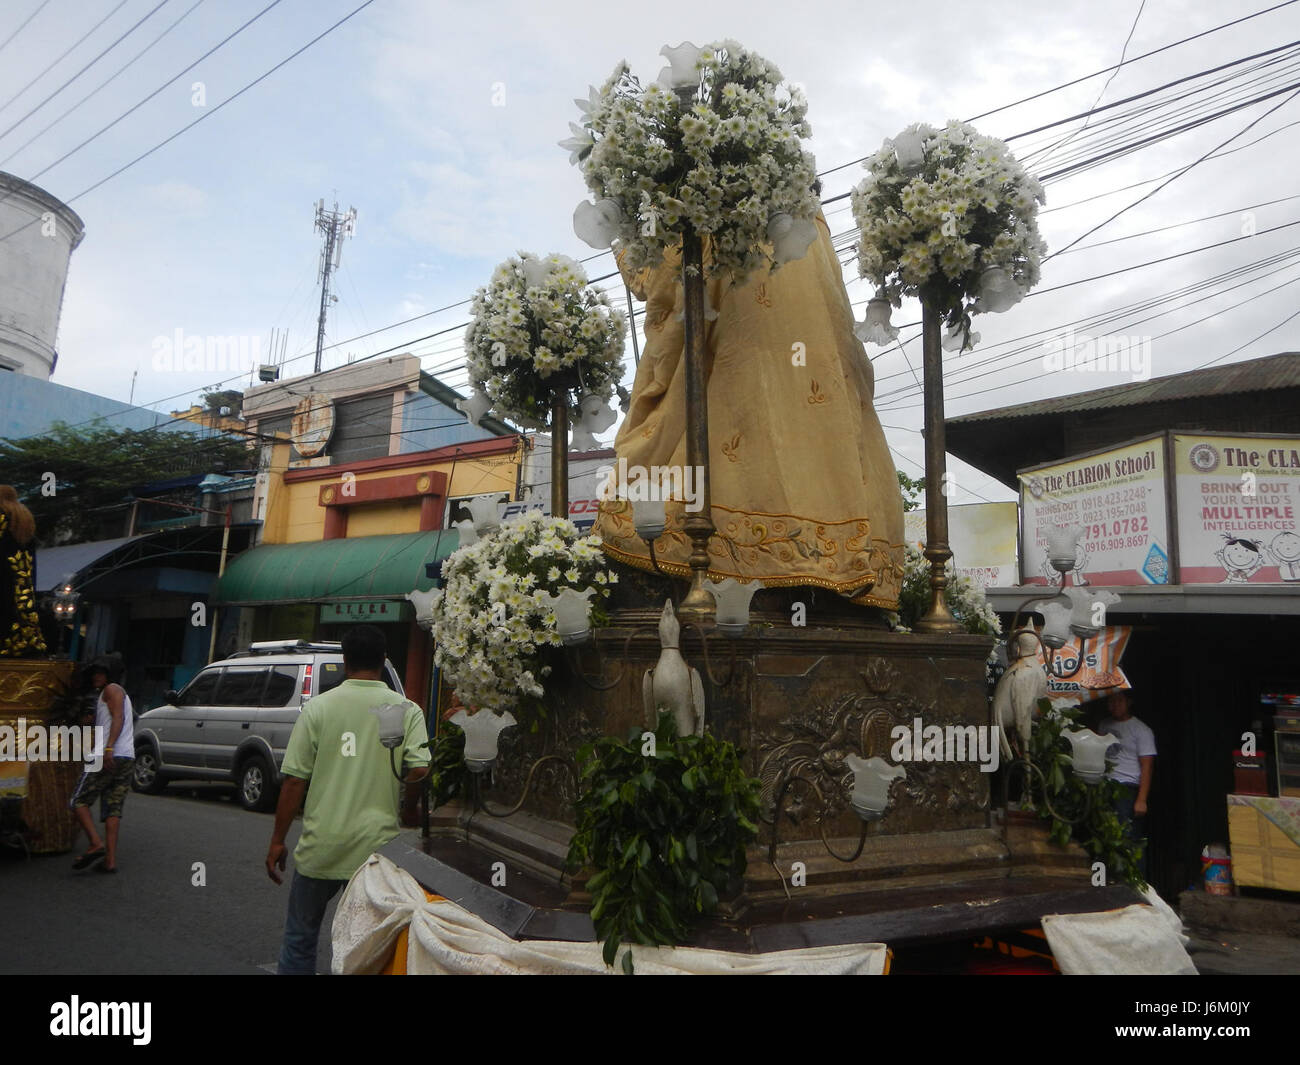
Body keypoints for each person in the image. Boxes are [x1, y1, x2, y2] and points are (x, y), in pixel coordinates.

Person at [591, 214, 905, 608]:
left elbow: (666, 278)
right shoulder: (812, 224)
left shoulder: (716, 200)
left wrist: (628, 233)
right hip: (820, 399)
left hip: (732, 362)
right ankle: (825, 550)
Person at [266, 625, 430, 975]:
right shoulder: (406, 710)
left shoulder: (318, 709)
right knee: (370, 945)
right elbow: (419, 770)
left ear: (345, 662)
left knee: (300, 937)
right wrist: (408, 806)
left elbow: (295, 780)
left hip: (320, 847)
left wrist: (278, 841)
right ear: (384, 661)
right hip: (376, 850)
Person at [70, 655, 135, 873]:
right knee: (113, 808)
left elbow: (118, 718)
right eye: (94, 673)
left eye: (101, 673)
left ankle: (96, 844)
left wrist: (108, 748)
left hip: (106, 755)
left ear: (110, 675)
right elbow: (113, 719)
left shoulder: (112, 689)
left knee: (77, 801)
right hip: (125, 757)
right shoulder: (107, 695)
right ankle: (110, 861)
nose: (97, 677)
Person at [1098, 690, 1156, 878]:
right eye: (1111, 701)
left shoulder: (1141, 730)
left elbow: (1146, 767)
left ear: (1128, 702)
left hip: (1127, 788)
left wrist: (1142, 799)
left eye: (1119, 701)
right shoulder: (1104, 725)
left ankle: (1136, 886)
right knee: (1105, 837)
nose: (1114, 705)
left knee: (1129, 839)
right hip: (1106, 786)